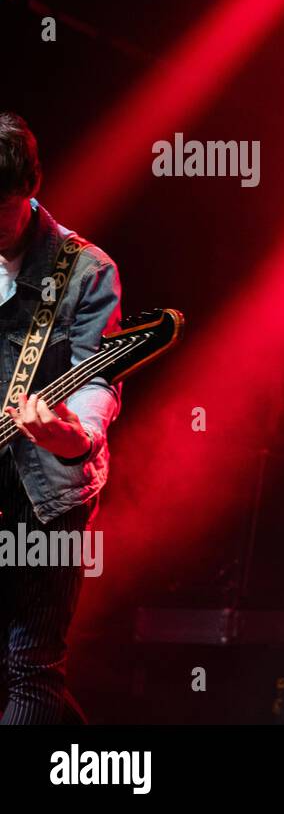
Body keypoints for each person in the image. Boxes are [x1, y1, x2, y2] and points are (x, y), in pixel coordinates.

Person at [0, 113, 121, 724]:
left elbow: (96, 377)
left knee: (30, 663)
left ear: (31, 186)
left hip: (43, 489)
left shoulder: (86, 269)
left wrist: (74, 435)